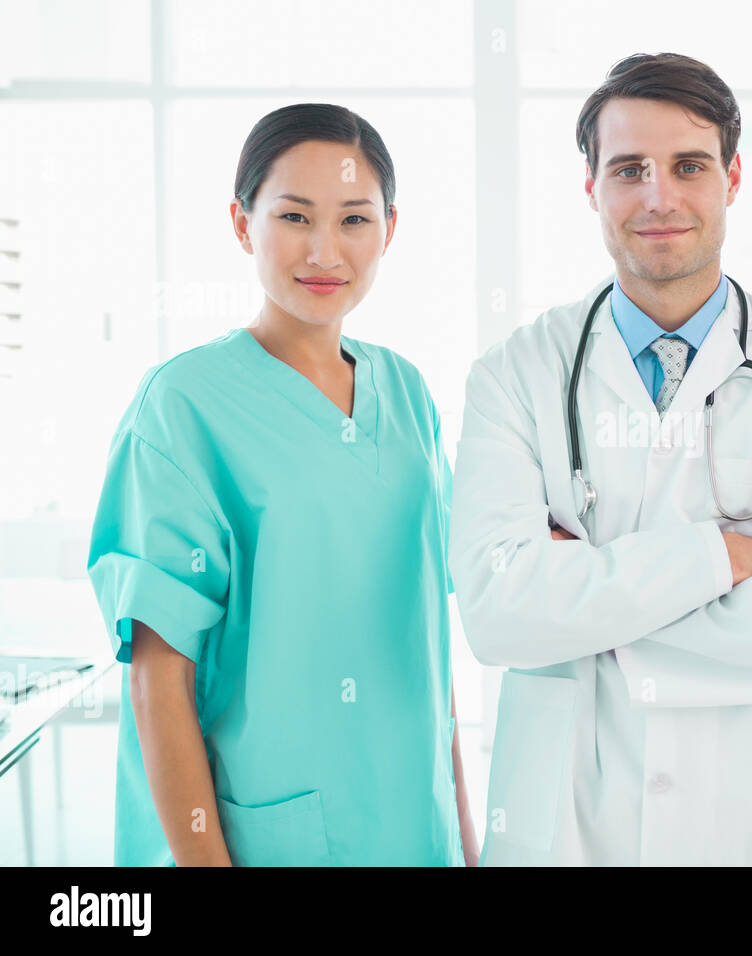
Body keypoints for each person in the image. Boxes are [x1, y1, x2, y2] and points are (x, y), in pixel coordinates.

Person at [449, 53, 752, 865]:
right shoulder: (514, 376)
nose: (659, 196)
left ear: (732, 176)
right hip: (576, 829)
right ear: (592, 189)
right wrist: (729, 557)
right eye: (629, 170)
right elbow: (495, 614)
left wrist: (586, 610)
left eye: (688, 166)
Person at [86, 103, 476, 866]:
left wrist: (461, 839)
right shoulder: (184, 406)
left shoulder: (409, 395)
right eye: (295, 216)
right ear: (242, 224)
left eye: (355, 220)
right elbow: (159, 679)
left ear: (389, 230)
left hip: (413, 829)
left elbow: (425, 644)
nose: (325, 250)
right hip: (264, 837)